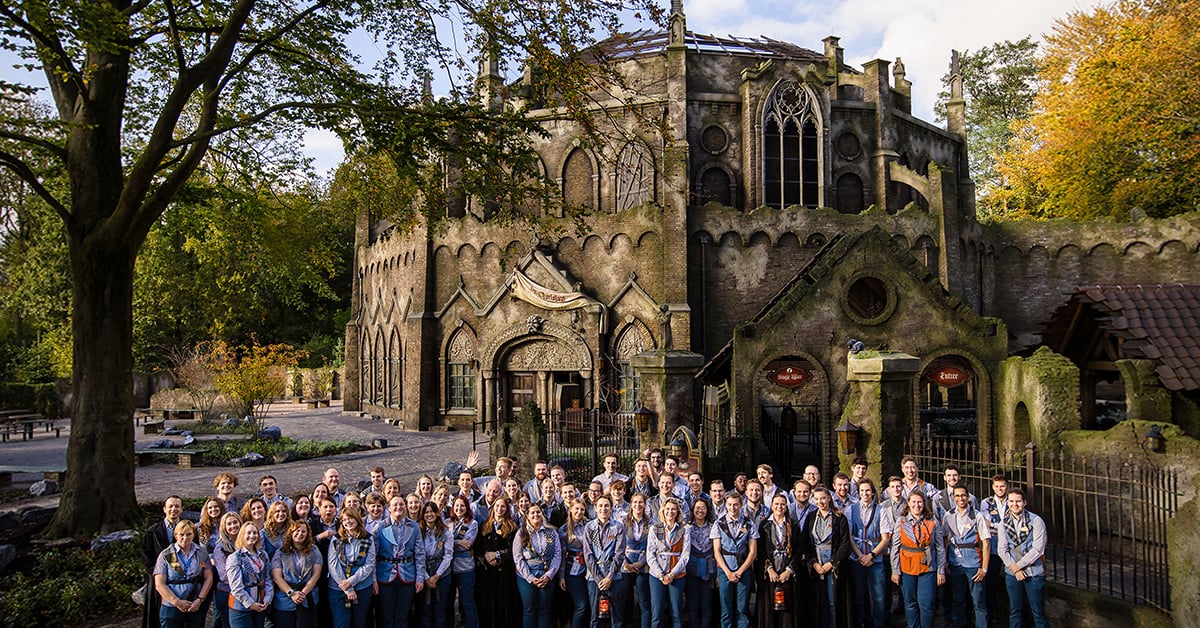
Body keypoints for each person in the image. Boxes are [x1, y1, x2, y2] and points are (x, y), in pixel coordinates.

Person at [890, 492, 947, 628]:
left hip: (927, 567)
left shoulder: (932, 522)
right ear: (908, 503)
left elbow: (940, 547)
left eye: (920, 502)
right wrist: (895, 570)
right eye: (914, 502)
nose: (917, 505)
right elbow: (895, 547)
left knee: (927, 603)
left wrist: (941, 570)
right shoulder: (901, 522)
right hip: (906, 567)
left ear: (924, 504)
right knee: (910, 603)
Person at [995, 488, 1048, 628]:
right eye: (1011, 501)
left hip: (1033, 573)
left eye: (1018, 501)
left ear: (1025, 502)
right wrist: (1014, 569)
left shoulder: (1036, 521)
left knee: (1038, 613)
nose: (1015, 504)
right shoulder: (1003, 523)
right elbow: (1002, 549)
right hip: (1012, 574)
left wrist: (1018, 566)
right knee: (1015, 611)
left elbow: (1038, 549)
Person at [801, 486, 853, 628]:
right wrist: (813, 563)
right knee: (819, 601)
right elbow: (805, 542)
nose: (820, 502)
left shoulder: (839, 518)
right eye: (817, 499)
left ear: (829, 498)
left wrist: (832, 562)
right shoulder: (811, 517)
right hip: (817, 565)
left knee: (832, 602)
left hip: (833, 565)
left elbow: (845, 543)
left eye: (823, 498)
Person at [942, 485, 990, 628]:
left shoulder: (977, 516)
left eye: (963, 495)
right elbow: (945, 539)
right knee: (958, 599)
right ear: (953, 498)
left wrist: (984, 568)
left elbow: (986, 543)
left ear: (968, 497)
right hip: (955, 563)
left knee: (978, 601)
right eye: (957, 496)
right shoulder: (948, 515)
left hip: (974, 564)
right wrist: (945, 562)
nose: (960, 498)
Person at [153, 520, 214, 628]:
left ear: (193, 535)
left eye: (189, 534)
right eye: (181, 534)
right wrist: (177, 602)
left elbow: (208, 578)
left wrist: (200, 600)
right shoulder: (167, 554)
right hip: (172, 605)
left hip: (195, 603)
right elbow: (159, 584)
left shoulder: (201, 553)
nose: (185, 538)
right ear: (176, 535)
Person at [849, 479, 892, 628]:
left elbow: (885, 538)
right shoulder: (851, 509)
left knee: (879, 596)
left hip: (876, 559)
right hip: (857, 558)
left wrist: (871, 555)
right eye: (862, 491)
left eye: (867, 490)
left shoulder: (881, 510)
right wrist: (861, 556)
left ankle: (878, 624)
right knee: (859, 595)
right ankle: (860, 623)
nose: (865, 493)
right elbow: (849, 536)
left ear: (873, 492)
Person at [376, 495, 424, 628]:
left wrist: (420, 578)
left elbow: (419, 553)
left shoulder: (414, 527)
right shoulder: (380, 527)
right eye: (395, 505)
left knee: (402, 615)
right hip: (385, 576)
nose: (399, 507)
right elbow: (372, 556)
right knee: (387, 615)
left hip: (407, 575)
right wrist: (374, 579)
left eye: (402, 504)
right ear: (389, 508)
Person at [711, 492, 757, 628]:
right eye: (730, 504)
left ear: (741, 505)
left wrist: (741, 571)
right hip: (725, 569)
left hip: (743, 568)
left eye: (736, 504)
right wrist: (728, 572)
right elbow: (717, 551)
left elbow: (753, 551)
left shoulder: (749, 524)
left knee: (742, 608)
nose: (733, 507)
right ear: (726, 505)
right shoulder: (719, 523)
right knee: (726, 607)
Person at [513, 503, 562, 628]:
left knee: (544, 610)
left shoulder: (552, 532)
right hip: (527, 576)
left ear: (542, 514)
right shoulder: (521, 533)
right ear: (527, 516)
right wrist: (530, 577)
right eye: (532, 513)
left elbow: (557, 555)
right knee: (529, 610)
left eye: (538, 512)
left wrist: (549, 575)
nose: (536, 515)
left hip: (547, 574)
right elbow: (518, 558)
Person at [328, 506, 376, 628]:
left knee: (359, 623)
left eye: (350, 518)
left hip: (362, 586)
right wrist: (347, 589)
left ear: (357, 519)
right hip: (338, 587)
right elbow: (333, 564)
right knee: (341, 623)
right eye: (344, 520)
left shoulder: (367, 538)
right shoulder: (336, 539)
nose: (348, 522)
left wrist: (351, 581)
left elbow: (369, 564)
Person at [270, 520, 324, 628]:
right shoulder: (280, 552)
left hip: (307, 597)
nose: (300, 534)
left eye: (303, 531)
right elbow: (277, 577)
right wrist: (292, 593)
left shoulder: (314, 550)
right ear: (291, 532)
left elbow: (316, 574)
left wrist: (303, 593)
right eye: (297, 530)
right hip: (285, 599)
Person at [582, 495, 626, 628]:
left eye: (606, 505)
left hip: (614, 576)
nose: (603, 508)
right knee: (595, 617)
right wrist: (599, 578)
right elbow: (588, 555)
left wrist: (609, 578)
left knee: (616, 616)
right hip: (594, 577)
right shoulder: (589, 527)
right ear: (595, 508)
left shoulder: (618, 527)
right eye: (600, 506)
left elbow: (619, 554)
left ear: (611, 508)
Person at [477, 495, 521, 628]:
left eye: (503, 506)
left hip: (505, 573)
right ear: (492, 508)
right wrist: (486, 557)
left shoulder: (512, 527)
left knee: (504, 604)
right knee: (488, 604)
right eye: (497, 506)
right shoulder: (484, 525)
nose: (499, 509)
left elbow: (513, 549)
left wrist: (497, 556)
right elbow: (479, 546)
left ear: (507, 509)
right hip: (487, 572)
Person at [756, 494, 799, 628]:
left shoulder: (793, 525)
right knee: (768, 610)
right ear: (772, 506)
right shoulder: (764, 525)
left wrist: (789, 570)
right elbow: (760, 549)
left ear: (786, 507)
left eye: (782, 504)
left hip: (786, 573)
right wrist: (769, 569)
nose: (779, 507)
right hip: (770, 573)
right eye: (776, 504)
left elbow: (798, 550)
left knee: (787, 611)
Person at [647, 498, 690, 628]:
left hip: (677, 574)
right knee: (657, 611)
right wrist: (660, 574)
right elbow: (650, 554)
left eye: (673, 509)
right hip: (657, 575)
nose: (670, 512)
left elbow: (685, 555)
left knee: (676, 611)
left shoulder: (684, 528)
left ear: (677, 512)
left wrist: (672, 574)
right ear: (663, 511)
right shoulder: (655, 528)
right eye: (668, 509)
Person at [141, 495, 183, 628]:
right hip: (160, 580)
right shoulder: (152, 532)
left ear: (182, 509)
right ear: (164, 509)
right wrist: (159, 574)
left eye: (177, 506)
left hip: (182, 580)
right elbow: (146, 557)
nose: (173, 509)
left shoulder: (188, 530)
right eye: (170, 506)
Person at [226, 522, 273, 628]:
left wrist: (267, 599)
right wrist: (250, 604)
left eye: (255, 533)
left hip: (260, 605)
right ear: (242, 535)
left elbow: (268, 579)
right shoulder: (234, 557)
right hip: (241, 608)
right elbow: (235, 587)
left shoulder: (263, 555)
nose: (252, 536)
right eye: (248, 533)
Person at [418, 501, 454, 628]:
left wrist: (437, 576)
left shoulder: (446, 531)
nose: (429, 514)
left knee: (440, 609)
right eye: (426, 512)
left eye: (432, 511)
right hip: (424, 572)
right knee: (425, 610)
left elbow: (448, 555)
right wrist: (427, 577)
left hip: (442, 573)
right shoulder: (419, 531)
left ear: (437, 513)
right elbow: (418, 556)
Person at [619, 492, 652, 628]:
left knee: (644, 601)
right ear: (631, 505)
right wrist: (625, 563)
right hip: (626, 565)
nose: (638, 505)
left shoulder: (650, 523)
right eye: (635, 502)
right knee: (626, 599)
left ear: (645, 505)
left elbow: (652, 546)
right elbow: (618, 545)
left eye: (641, 502)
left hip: (643, 565)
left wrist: (641, 562)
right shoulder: (623, 522)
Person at [449, 495, 481, 628]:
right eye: (456, 505)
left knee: (467, 601)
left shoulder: (472, 523)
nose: (459, 508)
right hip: (449, 568)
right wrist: (457, 542)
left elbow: (467, 544)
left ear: (467, 507)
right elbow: (444, 543)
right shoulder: (448, 522)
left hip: (465, 567)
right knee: (449, 601)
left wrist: (452, 543)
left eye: (462, 506)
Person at [559, 499, 591, 628]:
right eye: (576, 509)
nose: (579, 512)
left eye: (582, 509)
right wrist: (561, 576)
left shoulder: (590, 525)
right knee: (581, 604)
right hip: (573, 571)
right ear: (570, 510)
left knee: (590, 604)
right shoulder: (564, 530)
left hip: (589, 570)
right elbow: (561, 555)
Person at [685, 498, 716, 628]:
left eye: (703, 508)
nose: (700, 510)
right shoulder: (687, 527)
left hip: (708, 569)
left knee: (707, 604)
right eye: (697, 508)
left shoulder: (714, 526)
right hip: (691, 568)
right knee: (692, 605)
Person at [211, 512, 243, 628]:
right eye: (229, 524)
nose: (233, 526)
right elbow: (224, 575)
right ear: (224, 527)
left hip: (247, 592)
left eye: (235, 522)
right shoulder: (220, 547)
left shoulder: (247, 541)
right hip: (227, 592)